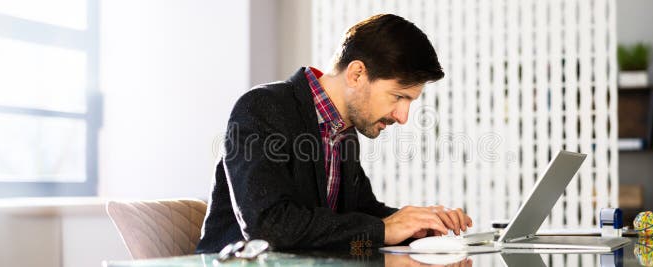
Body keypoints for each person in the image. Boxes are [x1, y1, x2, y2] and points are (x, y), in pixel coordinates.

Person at [196, 14, 472, 253]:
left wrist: (418, 224)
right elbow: (268, 226)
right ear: (356, 74)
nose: (402, 117)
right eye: (398, 97)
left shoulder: (344, 131)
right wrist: (384, 229)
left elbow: (359, 214)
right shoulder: (262, 107)